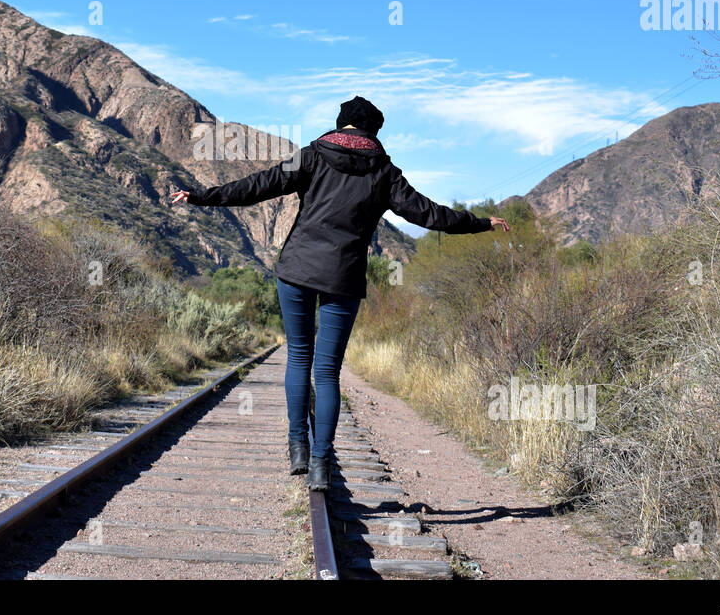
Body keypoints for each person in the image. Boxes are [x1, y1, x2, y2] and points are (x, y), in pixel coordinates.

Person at [171, 96, 509, 490]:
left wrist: (202, 196)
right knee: (327, 372)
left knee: (299, 357)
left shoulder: (313, 156)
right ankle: (319, 464)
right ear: (373, 131)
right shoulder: (384, 172)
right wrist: (480, 223)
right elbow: (428, 214)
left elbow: (258, 186)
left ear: (341, 123)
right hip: (343, 278)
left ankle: (298, 446)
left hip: (296, 271)